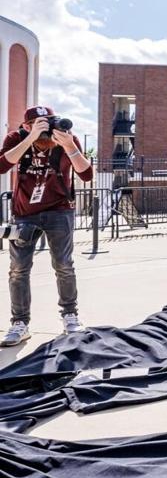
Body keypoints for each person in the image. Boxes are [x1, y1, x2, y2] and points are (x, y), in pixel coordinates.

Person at [0, 106, 95, 345]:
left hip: (59, 209)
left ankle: (70, 316)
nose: (46, 131)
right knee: (19, 269)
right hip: (24, 213)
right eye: (40, 125)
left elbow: (86, 175)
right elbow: (1, 166)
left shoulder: (66, 140)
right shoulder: (17, 138)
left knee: (64, 265)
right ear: (27, 126)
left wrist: (70, 145)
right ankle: (19, 323)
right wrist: (31, 138)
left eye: (49, 123)